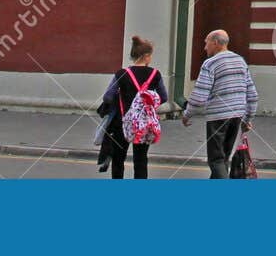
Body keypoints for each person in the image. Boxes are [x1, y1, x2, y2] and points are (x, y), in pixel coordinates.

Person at [182, 28, 257, 178]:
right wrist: (248, 118)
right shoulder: (240, 61)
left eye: (206, 43)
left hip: (217, 117)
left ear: (215, 43)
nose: (205, 47)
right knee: (224, 158)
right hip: (237, 115)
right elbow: (252, 94)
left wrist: (187, 114)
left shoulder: (210, 64)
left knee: (216, 159)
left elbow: (199, 97)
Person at [97, 34, 168, 179]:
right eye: (150, 55)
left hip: (122, 122)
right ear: (146, 56)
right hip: (144, 123)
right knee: (141, 159)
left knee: (118, 158)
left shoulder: (122, 73)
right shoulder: (155, 74)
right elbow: (164, 97)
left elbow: (107, 97)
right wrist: (148, 105)